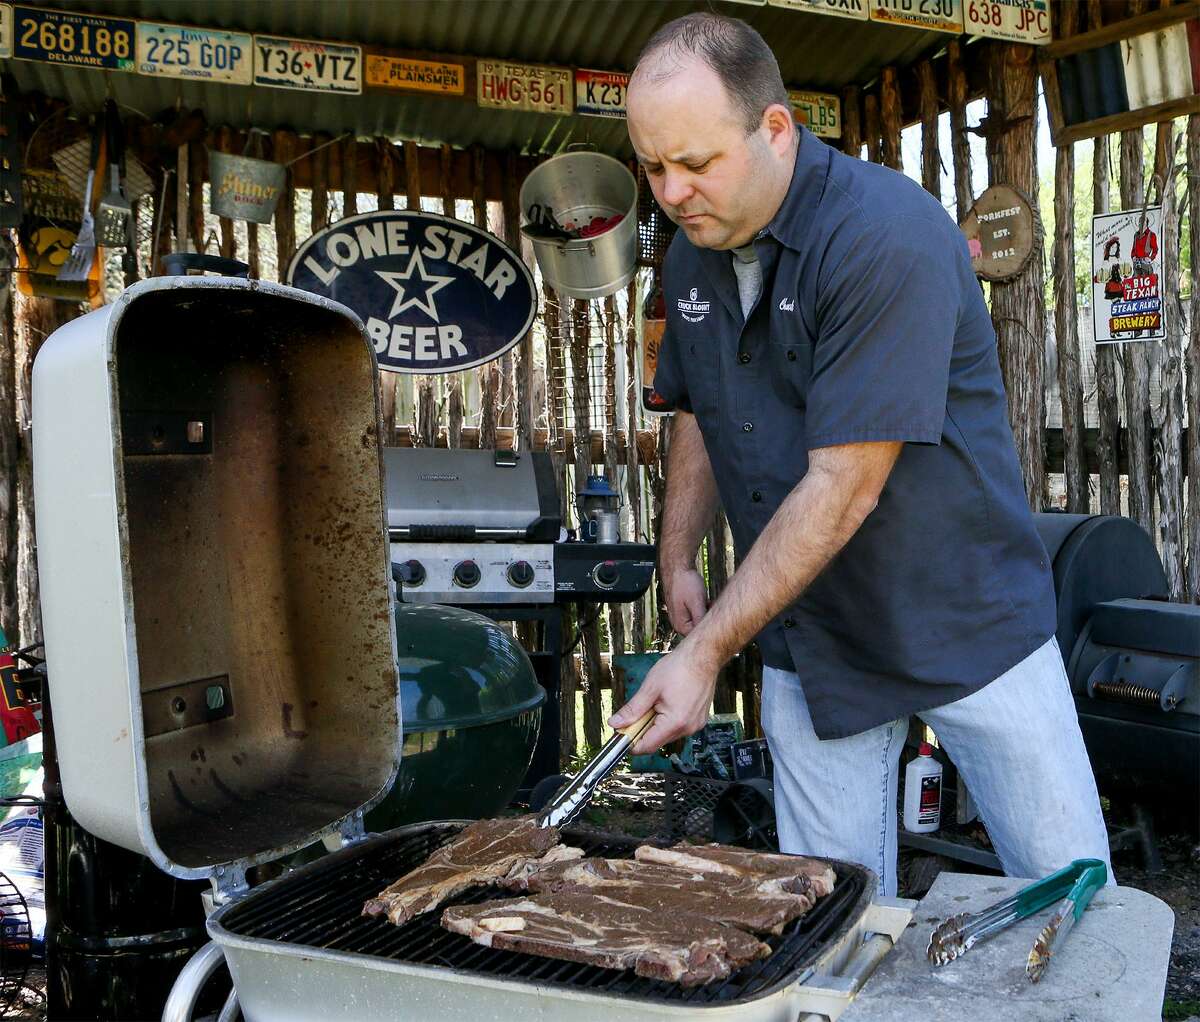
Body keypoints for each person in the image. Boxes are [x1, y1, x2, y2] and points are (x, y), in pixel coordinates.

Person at [609, 12, 1112, 896]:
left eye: (696, 163)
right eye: (655, 168)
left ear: (775, 129)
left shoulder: (883, 235)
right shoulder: (692, 256)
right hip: (814, 634)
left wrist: (707, 651)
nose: (674, 192)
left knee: (1066, 890)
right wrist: (678, 550)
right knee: (828, 908)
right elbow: (694, 404)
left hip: (963, 615)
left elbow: (844, 484)